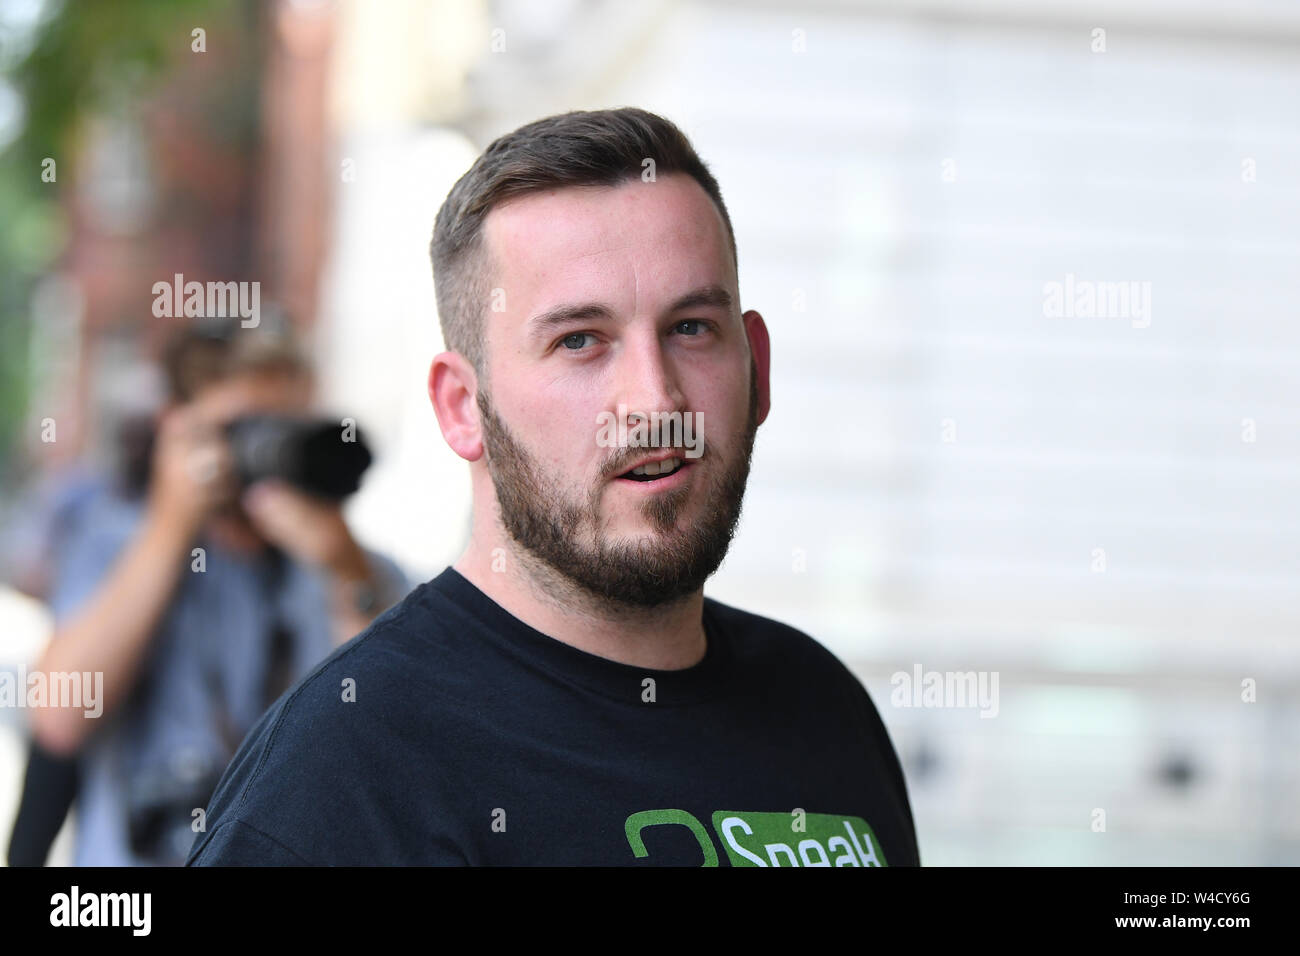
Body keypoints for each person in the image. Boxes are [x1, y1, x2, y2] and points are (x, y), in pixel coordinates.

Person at [188, 108, 920, 867]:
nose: (656, 402)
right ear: (461, 408)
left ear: (757, 367)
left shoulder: (823, 710)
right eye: (579, 341)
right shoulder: (340, 783)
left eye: (692, 327)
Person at [28, 322, 411, 866]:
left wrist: (346, 572)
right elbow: (59, 718)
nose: (268, 447)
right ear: (176, 427)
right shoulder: (114, 541)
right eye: (244, 428)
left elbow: (399, 740)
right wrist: (171, 525)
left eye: (286, 426)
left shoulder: (349, 562)